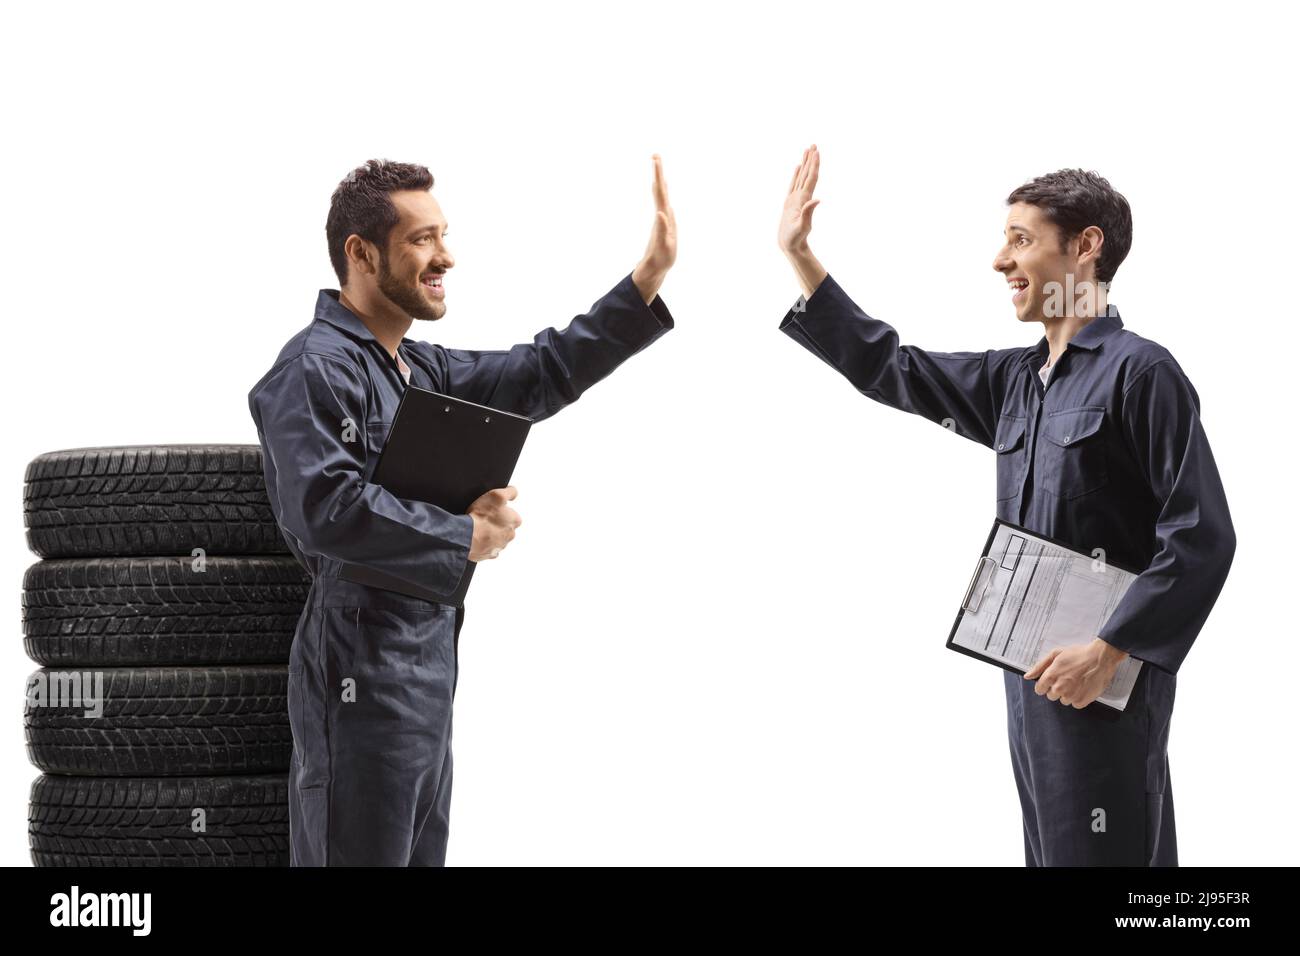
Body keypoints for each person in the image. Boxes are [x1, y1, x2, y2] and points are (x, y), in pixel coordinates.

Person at [776, 145, 1235, 866]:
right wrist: (802, 258)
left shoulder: (1141, 373)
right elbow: (893, 369)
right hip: (1031, 683)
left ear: (1087, 247)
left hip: (1102, 682)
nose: (1000, 260)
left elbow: (1202, 535)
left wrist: (1109, 651)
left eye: (1021, 240)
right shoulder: (1017, 380)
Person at [248, 156, 677, 866]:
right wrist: (464, 534)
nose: (445, 255)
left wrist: (645, 281)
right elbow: (325, 510)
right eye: (421, 238)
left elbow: (539, 371)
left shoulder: (419, 370)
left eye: (442, 234)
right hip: (357, 663)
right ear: (361, 254)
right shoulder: (312, 369)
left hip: (426, 662)